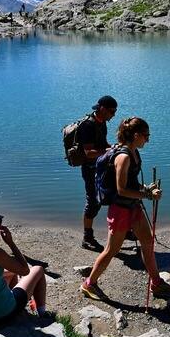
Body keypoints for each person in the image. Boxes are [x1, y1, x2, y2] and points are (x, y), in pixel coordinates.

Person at [80, 117, 170, 301]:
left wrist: (147, 189)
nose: (148, 140)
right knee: (111, 250)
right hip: (120, 210)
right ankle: (89, 284)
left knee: (148, 241)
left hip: (134, 207)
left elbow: (133, 185)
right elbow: (122, 189)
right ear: (136, 135)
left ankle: (156, 283)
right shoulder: (123, 157)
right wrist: (147, 195)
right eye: (146, 136)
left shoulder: (134, 153)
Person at [77, 96, 118, 251]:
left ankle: (123, 230)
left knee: (114, 195)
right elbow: (88, 152)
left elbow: (103, 144)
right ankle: (87, 238)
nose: (113, 115)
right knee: (93, 202)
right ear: (102, 108)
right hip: (89, 170)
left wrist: (113, 146)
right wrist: (109, 150)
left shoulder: (102, 123)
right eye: (112, 111)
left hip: (102, 168)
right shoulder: (88, 125)